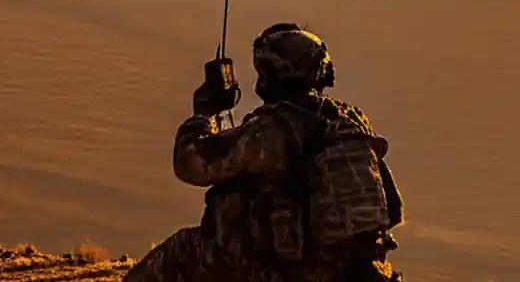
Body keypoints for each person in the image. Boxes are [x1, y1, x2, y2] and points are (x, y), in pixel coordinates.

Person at [125, 23, 404, 282]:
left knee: (178, 252)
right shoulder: (351, 119)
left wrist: (203, 113)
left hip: (276, 270)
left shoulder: (273, 129)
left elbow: (191, 164)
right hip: (338, 272)